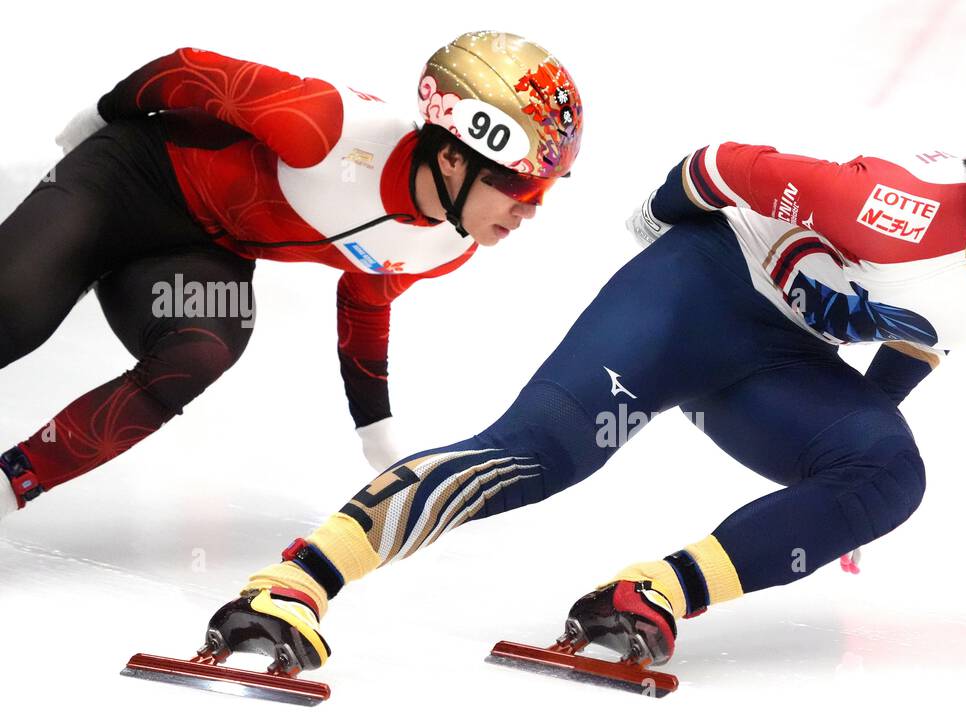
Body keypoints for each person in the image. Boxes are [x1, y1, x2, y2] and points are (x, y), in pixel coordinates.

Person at [201, 88, 966, 678]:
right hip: (694, 294)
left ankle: (645, 594)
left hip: (775, 361)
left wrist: (850, 458)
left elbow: (929, 334)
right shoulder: (892, 210)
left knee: (887, 476)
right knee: (536, 454)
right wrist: (663, 255)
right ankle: (293, 583)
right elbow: (711, 166)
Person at [0, 33, 583, 521]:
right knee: (14, 315)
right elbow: (190, 71)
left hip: (197, 249)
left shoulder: (444, 246)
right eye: (521, 185)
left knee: (201, 350)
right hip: (124, 181)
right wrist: (95, 118)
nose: (531, 208)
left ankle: (9, 487)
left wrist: (376, 431)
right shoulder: (328, 127)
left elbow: (364, 301)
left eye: (548, 189)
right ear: (454, 157)